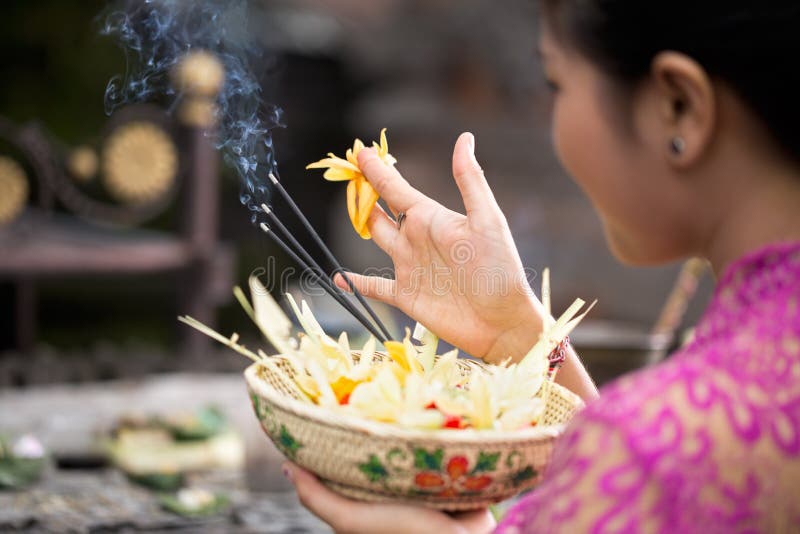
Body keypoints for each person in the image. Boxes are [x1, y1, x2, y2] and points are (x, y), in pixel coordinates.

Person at [281, 1, 800, 531]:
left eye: (557, 83)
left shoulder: (647, 446)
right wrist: (520, 340)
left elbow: (647, 464)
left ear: (679, 106)